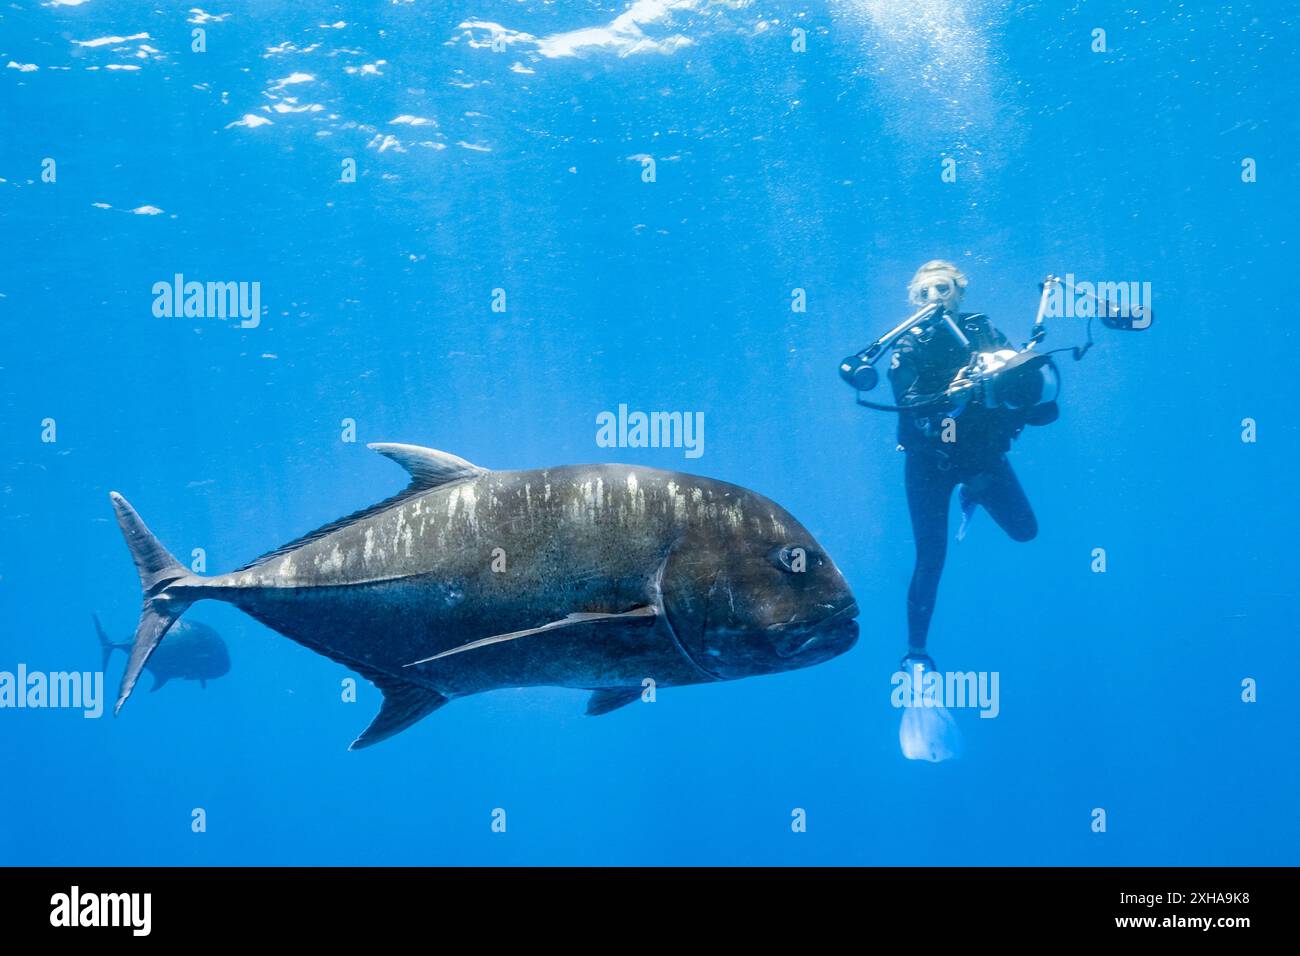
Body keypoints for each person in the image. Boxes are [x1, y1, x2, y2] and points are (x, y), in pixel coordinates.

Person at [886, 261, 1057, 667]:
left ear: (960, 293)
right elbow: (907, 406)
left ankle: (973, 491)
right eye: (924, 293)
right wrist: (951, 394)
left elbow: (1023, 389)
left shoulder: (984, 333)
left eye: (943, 289)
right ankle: (916, 653)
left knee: (1025, 531)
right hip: (929, 463)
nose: (934, 299)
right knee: (931, 554)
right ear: (914, 300)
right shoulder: (906, 346)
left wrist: (1031, 395)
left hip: (981, 457)